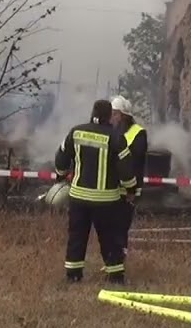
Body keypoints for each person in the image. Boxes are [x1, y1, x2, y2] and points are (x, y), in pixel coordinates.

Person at [53, 99, 137, 284]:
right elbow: (126, 170)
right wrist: (130, 189)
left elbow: (61, 157)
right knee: (109, 239)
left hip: (78, 198)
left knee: (77, 237)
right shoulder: (116, 137)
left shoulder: (76, 131)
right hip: (106, 201)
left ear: (93, 113)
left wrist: (60, 176)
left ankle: (73, 276)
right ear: (109, 115)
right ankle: (115, 277)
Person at [110, 95, 148, 257]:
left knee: (121, 226)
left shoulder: (138, 133)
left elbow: (135, 162)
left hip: (129, 190)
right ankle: (113, 256)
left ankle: (120, 257)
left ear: (124, 116)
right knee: (111, 226)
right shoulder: (112, 131)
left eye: (115, 114)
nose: (112, 117)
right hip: (113, 187)